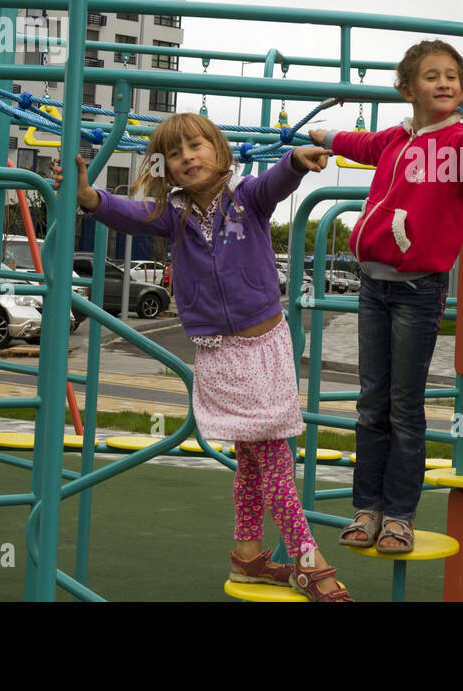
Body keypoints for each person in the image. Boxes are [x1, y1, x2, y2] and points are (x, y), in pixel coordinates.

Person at [53, 113, 351, 601]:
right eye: (175, 153)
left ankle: (249, 554)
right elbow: (128, 213)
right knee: (264, 456)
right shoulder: (172, 215)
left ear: (219, 151)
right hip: (220, 351)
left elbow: (276, 182)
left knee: (262, 455)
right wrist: (89, 198)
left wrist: (295, 159)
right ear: (165, 168)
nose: (187, 157)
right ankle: (301, 558)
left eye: (196, 145)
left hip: (268, 345)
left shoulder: (247, 198)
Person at [309, 39, 463, 554]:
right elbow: (357, 142)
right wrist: (322, 134)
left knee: (404, 407)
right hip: (372, 286)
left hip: (417, 291)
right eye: (432, 76)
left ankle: (400, 517)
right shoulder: (396, 138)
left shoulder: (458, 142)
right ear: (408, 88)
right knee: (371, 403)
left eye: (452, 77)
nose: (445, 84)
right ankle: (366, 508)